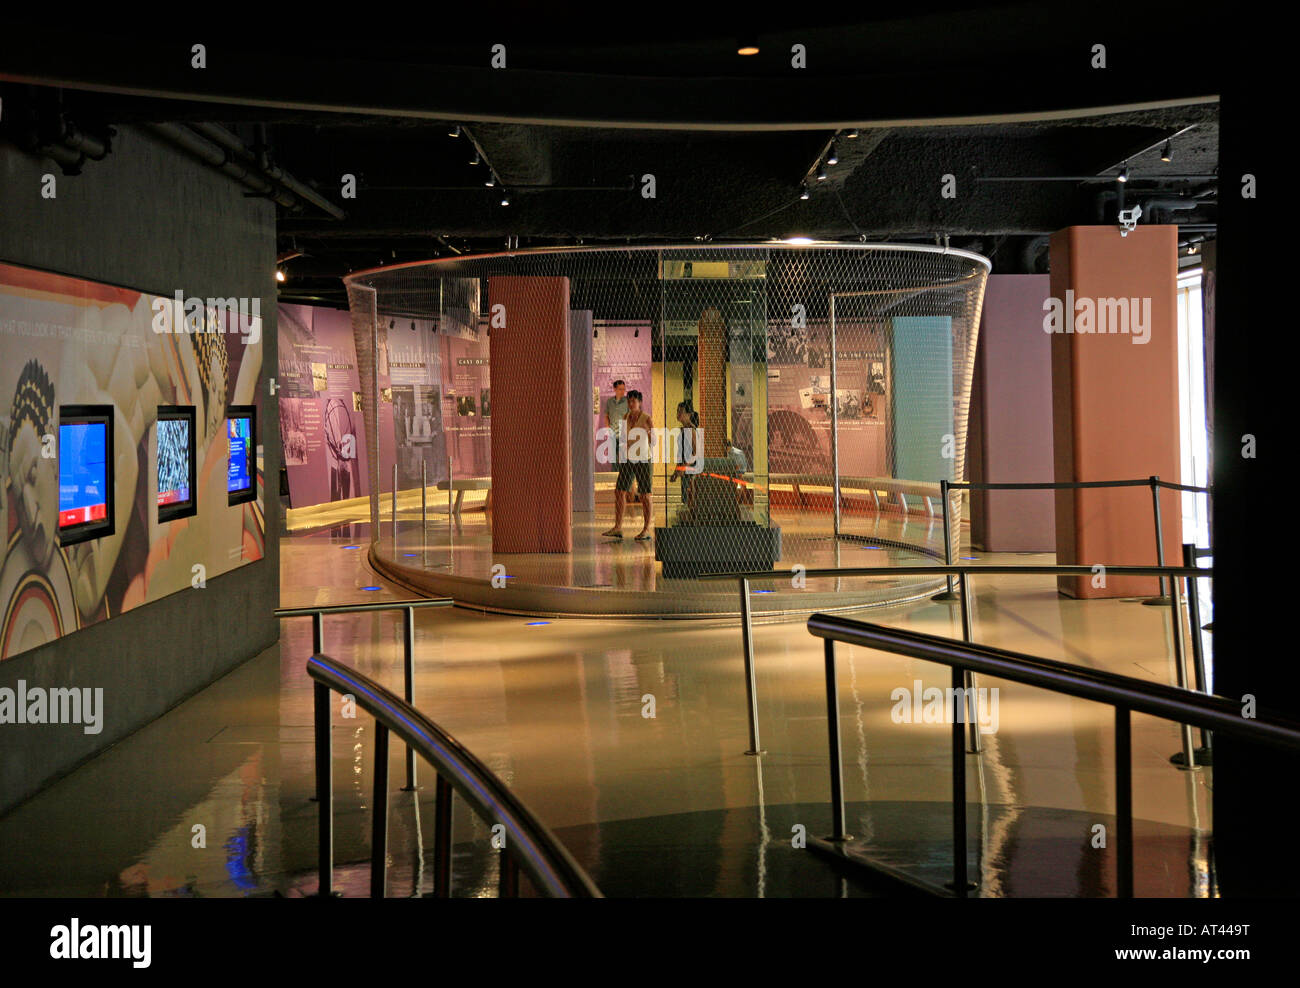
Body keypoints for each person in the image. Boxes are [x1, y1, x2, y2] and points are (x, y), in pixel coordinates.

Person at [603, 389, 653, 541]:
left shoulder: (646, 418)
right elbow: (623, 439)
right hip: (628, 460)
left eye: (634, 401)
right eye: (629, 401)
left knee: (644, 494)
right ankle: (618, 527)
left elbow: (655, 440)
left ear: (640, 402)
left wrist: (648, 432)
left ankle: (646, 529)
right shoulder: (625, 418)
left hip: (643, 459)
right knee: (619, 491)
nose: (631, 404)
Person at [668, 401, 699, 506]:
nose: (678, 414)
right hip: (685, 470)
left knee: (690, 499)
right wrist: (676, 472)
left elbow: (696, 453)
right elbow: (681, 454)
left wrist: (684, 467)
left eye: (681, 411)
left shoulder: (691, 430)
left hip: (691, 471)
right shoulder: (682, 431)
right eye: (677, 411)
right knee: (685, 499)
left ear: (689, 414)